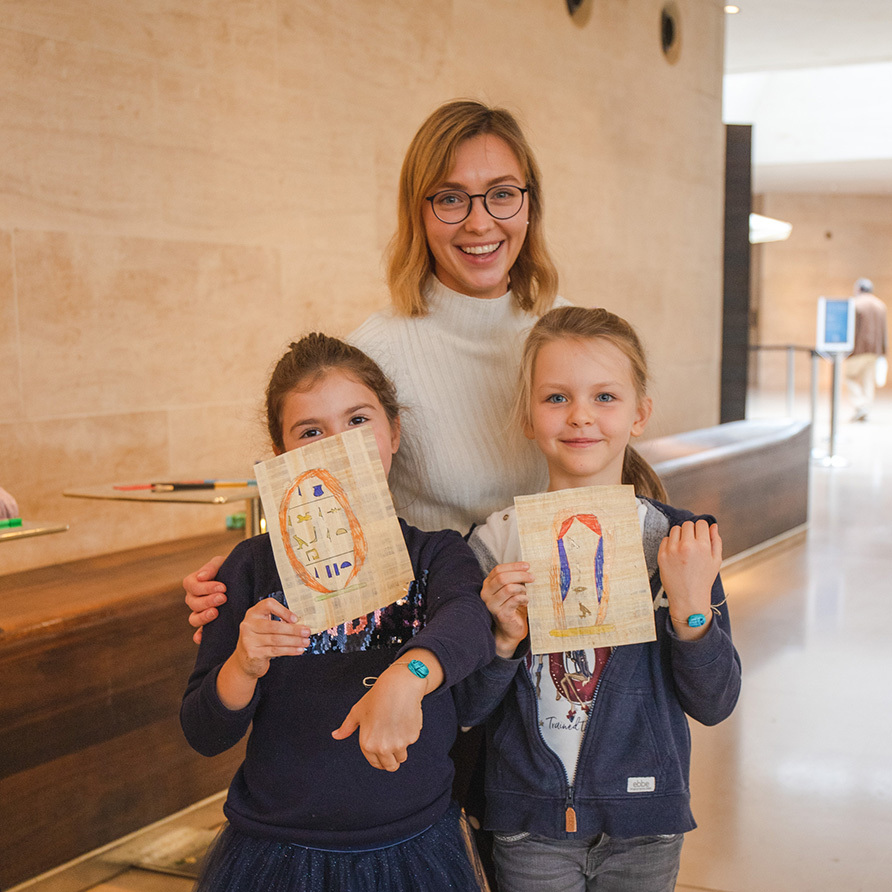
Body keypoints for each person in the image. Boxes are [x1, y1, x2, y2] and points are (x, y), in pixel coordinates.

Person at [184, 98, 564, 638]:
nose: (480, 222)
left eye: (502, 194)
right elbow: (315, 498)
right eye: (451, 199)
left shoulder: (571, 338)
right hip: (432, 644)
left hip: (558, 632)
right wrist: (239, 578)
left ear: (530, 205)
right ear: (418, 212)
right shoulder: (375, 353)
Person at [180, 333, 495, 892]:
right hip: (277, 849)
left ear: (393, 432)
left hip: (416, 841)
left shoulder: (436, 554)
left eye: (357, 420)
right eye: (310, 432)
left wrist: (409, 674)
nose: (337, 445)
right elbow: (204, 731)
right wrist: (242, 666)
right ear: (281, 456)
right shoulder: (250, 569)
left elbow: (468, 623)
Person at [454, 306, 742, 892]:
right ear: (528, 418)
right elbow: (462, 711)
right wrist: (503, 640)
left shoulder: (679, 541)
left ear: (641, 414)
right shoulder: (489, 545)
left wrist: (690, 610)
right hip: (528, 822)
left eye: (605, 397)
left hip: (646, 819)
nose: (581, 415)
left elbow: (715, 702)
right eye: (556, 397)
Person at [845, 278, 887, 422]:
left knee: (849, 376)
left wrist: (847, 350)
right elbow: (884, 331)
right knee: (868, 380)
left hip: (858, 349)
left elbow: (851, 329)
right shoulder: (881, 305)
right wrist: (883, 351)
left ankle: (860, 404)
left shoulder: (855, 304)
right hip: (874, 350)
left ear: (858, 289)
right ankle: (866, 407)